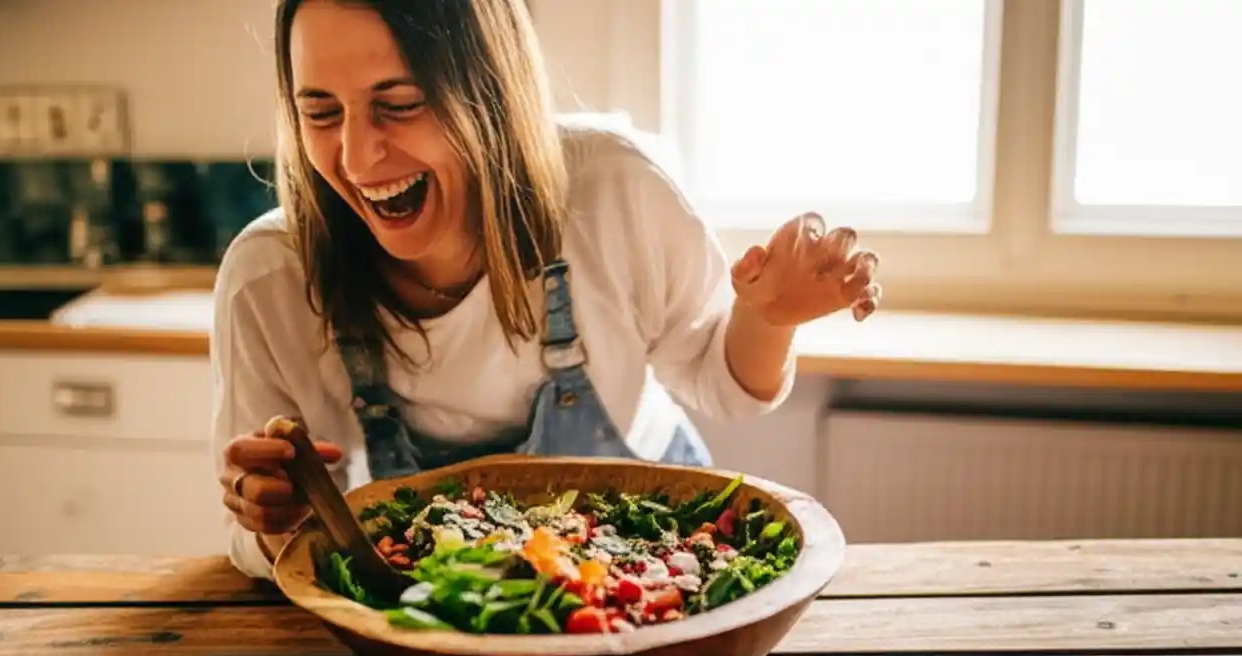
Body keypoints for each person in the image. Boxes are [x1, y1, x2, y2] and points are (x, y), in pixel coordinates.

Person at [213, 0, 881, 580]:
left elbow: (726, 385)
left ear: (491, 88)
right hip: (441, 603)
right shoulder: (268, 282)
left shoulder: (617, 188)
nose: (357, 159)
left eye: (401, 105)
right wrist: (273, 514)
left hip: (655, 567)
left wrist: (767, 318)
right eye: (320, 112)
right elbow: (265, 547)